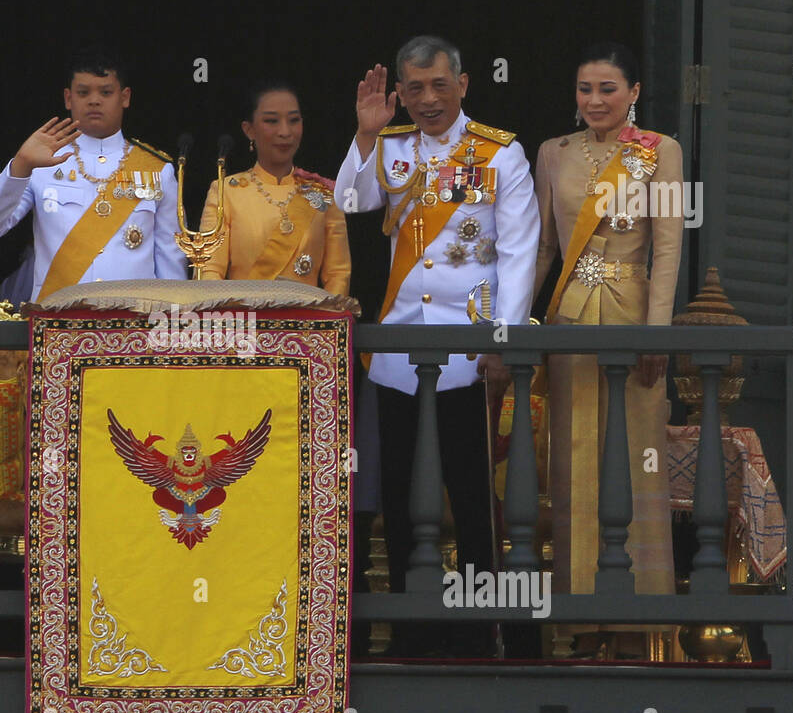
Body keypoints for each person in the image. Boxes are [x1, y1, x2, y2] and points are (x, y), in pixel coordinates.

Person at [333, 35, 539, 655]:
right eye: (414, 88)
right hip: (398, 354)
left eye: (438, 85)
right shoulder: (391, 149)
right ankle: (411, 635)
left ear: (464, 84)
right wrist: (366, 136)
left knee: (472, 500)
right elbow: (348, 201)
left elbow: (519, 252)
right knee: (398, 497)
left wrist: (503, 339)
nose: (427, 99)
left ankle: (480, 639)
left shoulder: (500, 155)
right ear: (400, 91)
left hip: (468, 352)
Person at [533, 42, 683, 659]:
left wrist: (657, 331)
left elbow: (670, 245)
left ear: (634, 93)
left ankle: (637, 620)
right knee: (572, 467)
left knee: (636, 464)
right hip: (569, 321)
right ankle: (578, 619)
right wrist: (516, 323)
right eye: (585, 89)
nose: (595, 101)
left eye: (608, 89)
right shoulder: (551, 154)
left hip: (631, 317)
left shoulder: (661, 152)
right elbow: (543, 248)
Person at [0, 49, 188, 301]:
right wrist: (20, 165)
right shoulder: (41, 163)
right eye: (83, 93)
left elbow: (171, 259)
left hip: (134, 324)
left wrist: (171, 321)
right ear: (68, 98)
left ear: (125, 97)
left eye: (106, 92)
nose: (94, 101)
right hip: (57, 322)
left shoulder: (158, 169)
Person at [198, 83, 350, 296]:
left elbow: (338, 275)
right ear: (249, 130)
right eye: (272, 121)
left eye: (294, 120)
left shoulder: (323, 194)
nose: (285, 132)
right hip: (245, 323)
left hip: (306, 325)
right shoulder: (225, 192)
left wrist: (322, 322)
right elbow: (210, 270)